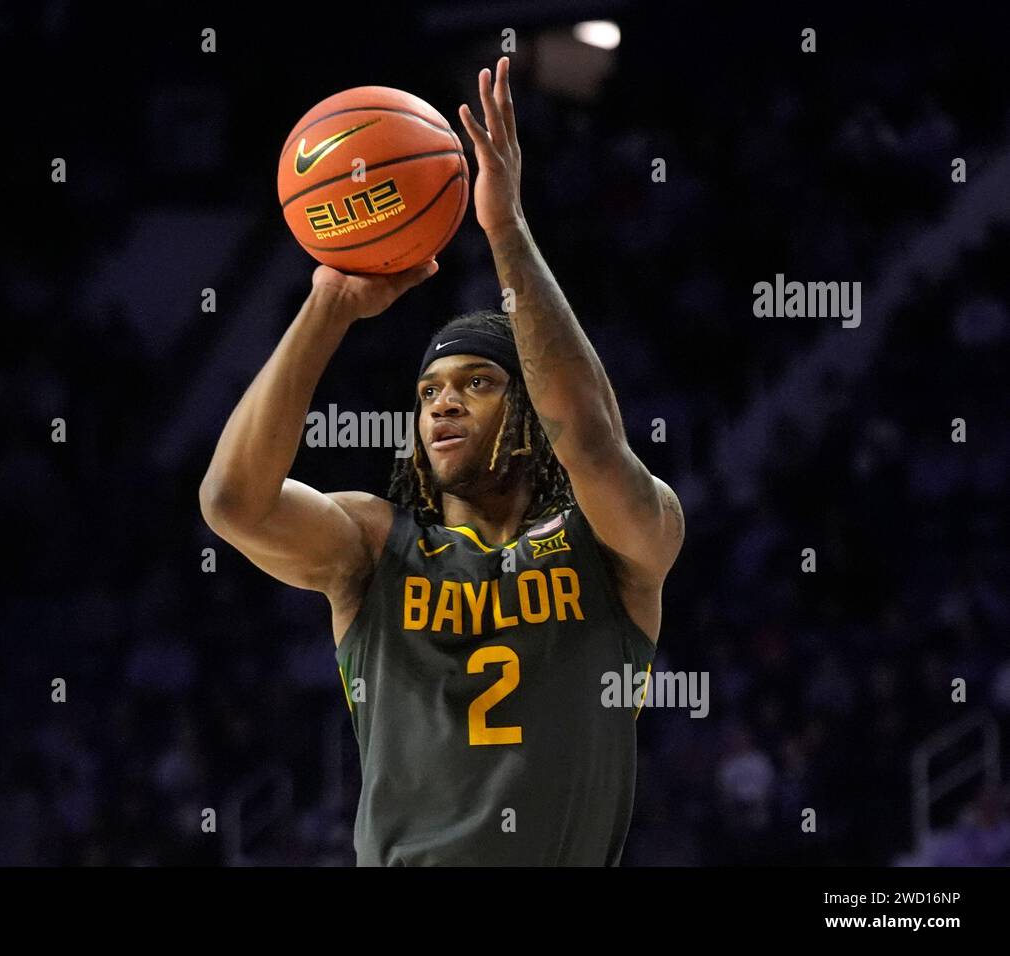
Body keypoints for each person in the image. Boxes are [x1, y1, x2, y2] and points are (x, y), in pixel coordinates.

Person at [200, 57, 684, 865]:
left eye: (478, 383)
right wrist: (328, 306)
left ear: (528, 413)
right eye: (428, 394)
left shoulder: (618, 546)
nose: (443, 405)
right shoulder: (372, 548)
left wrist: (507, 233)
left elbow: (593, 439)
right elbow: (233, 504)